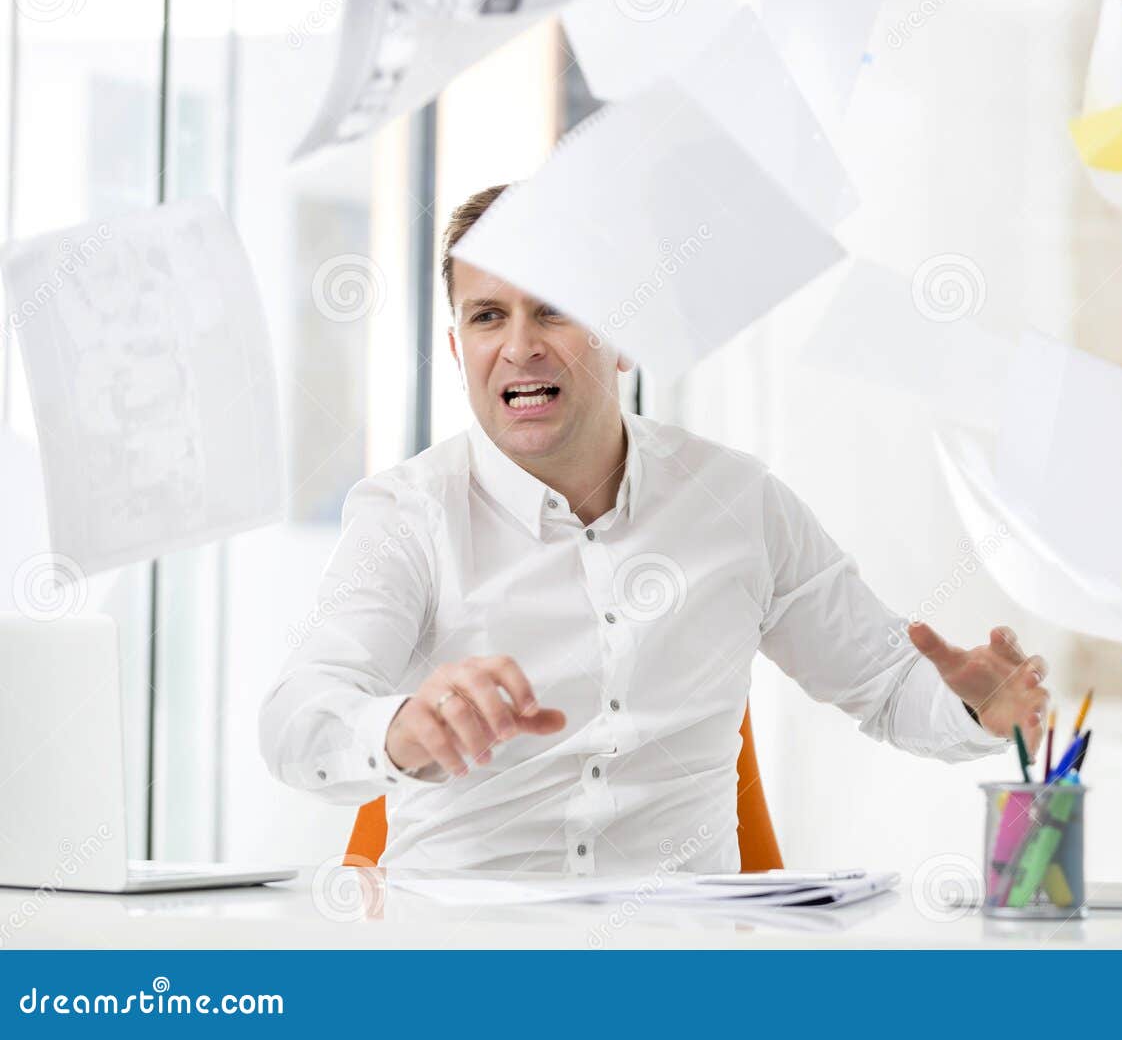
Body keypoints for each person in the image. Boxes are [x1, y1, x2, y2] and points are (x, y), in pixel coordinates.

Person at [259, 184, 1050, 874]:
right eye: (488, 315)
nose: (520, 345)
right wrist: (399, 729)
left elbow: (886, 686)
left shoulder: (740, 502)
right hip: (471, 955)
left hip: (680, 964)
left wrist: (976, 710)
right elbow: (298, 721)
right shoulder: (409, 515)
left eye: (554, 310)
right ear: (458, 346)